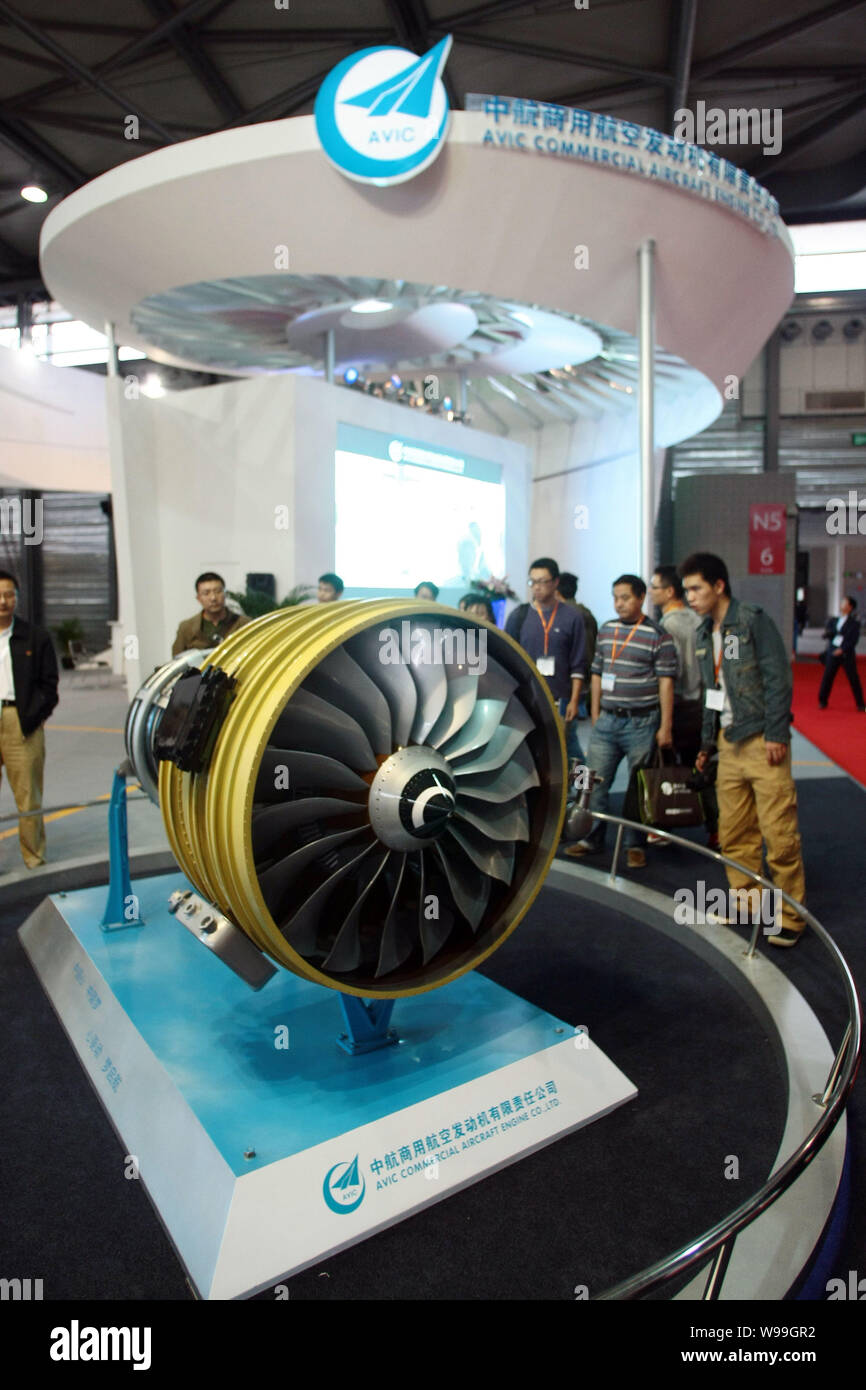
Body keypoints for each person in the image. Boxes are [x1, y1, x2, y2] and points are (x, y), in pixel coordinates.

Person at [680, 552, 806, 949]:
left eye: (696, 588)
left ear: (719, 585)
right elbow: (712, 695)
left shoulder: (750, 620)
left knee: (778, 833)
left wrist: (776, 733)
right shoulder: (705, 634)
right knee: (735, 833)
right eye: (686, 590)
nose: (690, 597)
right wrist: (705, 744)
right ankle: (749, 903)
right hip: (727, 743)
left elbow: (776, 677)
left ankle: (789, 915)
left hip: (761, 741)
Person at [565, 574, 676, 869]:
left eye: (625, 597)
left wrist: (666, 726)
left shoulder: (658, 634)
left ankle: (634, 844)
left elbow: (666, 683)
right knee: (592, 783)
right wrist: (597, 712)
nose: (619, 603)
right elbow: (598, 673)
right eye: (615, 597)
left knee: (637, 788)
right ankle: (591, 838)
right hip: (607, 722)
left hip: (642, 722)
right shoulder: (606, 630)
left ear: (641, 598)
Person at [649, 565, 719, 846]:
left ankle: (663, 827)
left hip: (677, 707)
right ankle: (715, 829)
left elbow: (668, 672)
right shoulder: (698, 619)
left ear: (668, 592)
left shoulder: (668, 625)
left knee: (664, 769)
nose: (650, 593)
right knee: (699, 768)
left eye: (654, 588)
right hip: (701, 707)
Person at [0, 569, 59, 869]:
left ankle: (33, 859)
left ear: (18, 598)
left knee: (28, 798)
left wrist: (32, 718)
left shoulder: (35, 637)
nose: (3, 601)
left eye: (9, 594)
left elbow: (50, 686)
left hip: (20, 723)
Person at [505, 557, 585, 763]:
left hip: (561, 698)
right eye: (532, 582)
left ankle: (582, 792)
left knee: (569, 751)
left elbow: (578, 663)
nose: (537, 587)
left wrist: (574, 700)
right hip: (528, 698)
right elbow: (508, 659)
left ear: (555, 582)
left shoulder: (572, 616)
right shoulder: (520, 615)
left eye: (542, 581)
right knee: (534, 751)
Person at [172, 572, 250, 656]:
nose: (213, 598)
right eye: (206, 593)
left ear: (225, 594)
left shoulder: (244, 624)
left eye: (218, 591)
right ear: (198, 598)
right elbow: (177, 662)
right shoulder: (187, 628)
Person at [557, 571, 597, 719]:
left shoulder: (566, 616)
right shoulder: (587, 613)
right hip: (584, 678)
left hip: (569, 682)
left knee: (567, 732)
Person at [818, 596, 864, 711]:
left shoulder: (854, 623)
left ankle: (860, 703)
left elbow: (853, 639)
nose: (841, 604)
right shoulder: (834, 620)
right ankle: (822, 700)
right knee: (828, 676)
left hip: (846, 654)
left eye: (844, 603)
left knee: (853, 678)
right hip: (833, 651)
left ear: (850, 607)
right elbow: (829, 633)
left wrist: (843, 649)